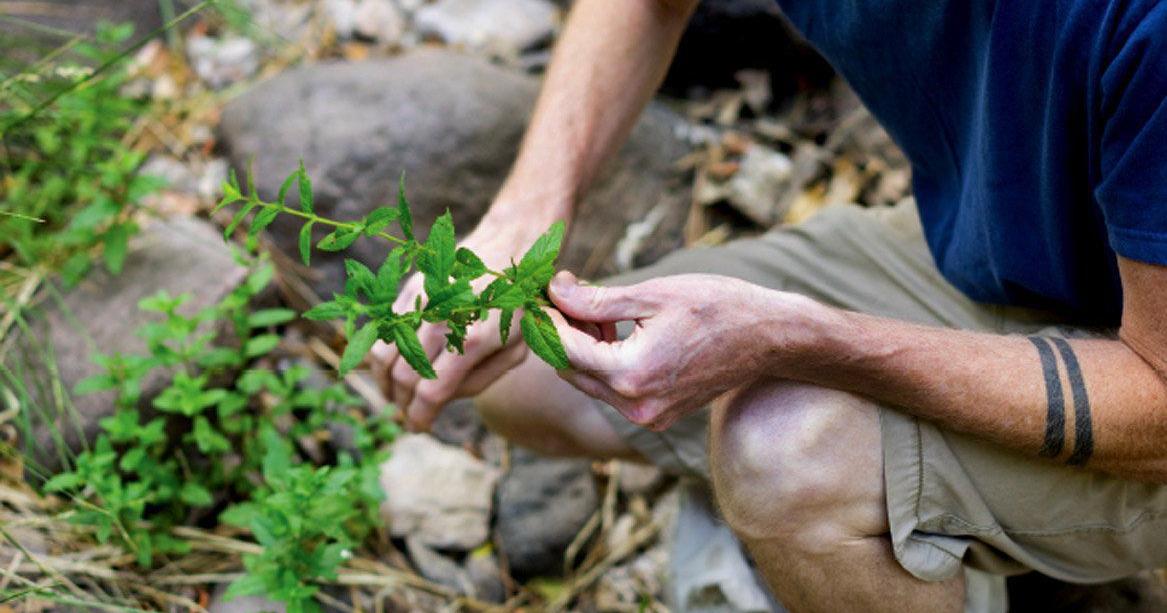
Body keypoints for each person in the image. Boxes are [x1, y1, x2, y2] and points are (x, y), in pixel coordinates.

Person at [370, 1, 1167, 610]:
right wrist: (524, 214)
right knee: (529, 367)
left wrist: (798, 339)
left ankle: (874, 530)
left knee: (782, 450)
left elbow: (1158, 406)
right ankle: (922, 551)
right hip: (1008, 249)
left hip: (1148, 376)